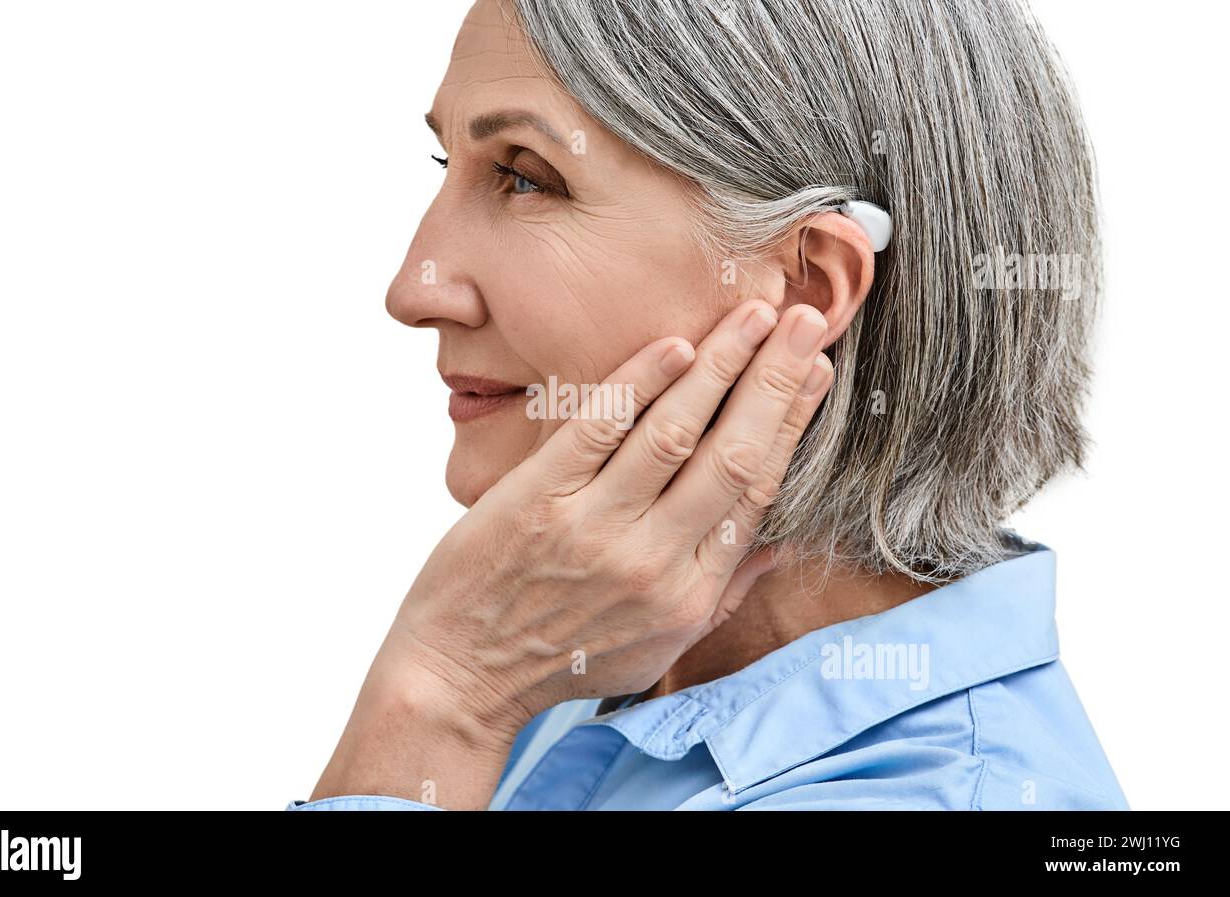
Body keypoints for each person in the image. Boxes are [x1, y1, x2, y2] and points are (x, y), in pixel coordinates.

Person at [286, 0, 1126, 810]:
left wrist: (445, 698)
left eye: (523, 178)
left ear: (808, 287)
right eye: (449, 168)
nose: (414, 289)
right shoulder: (590, 665)